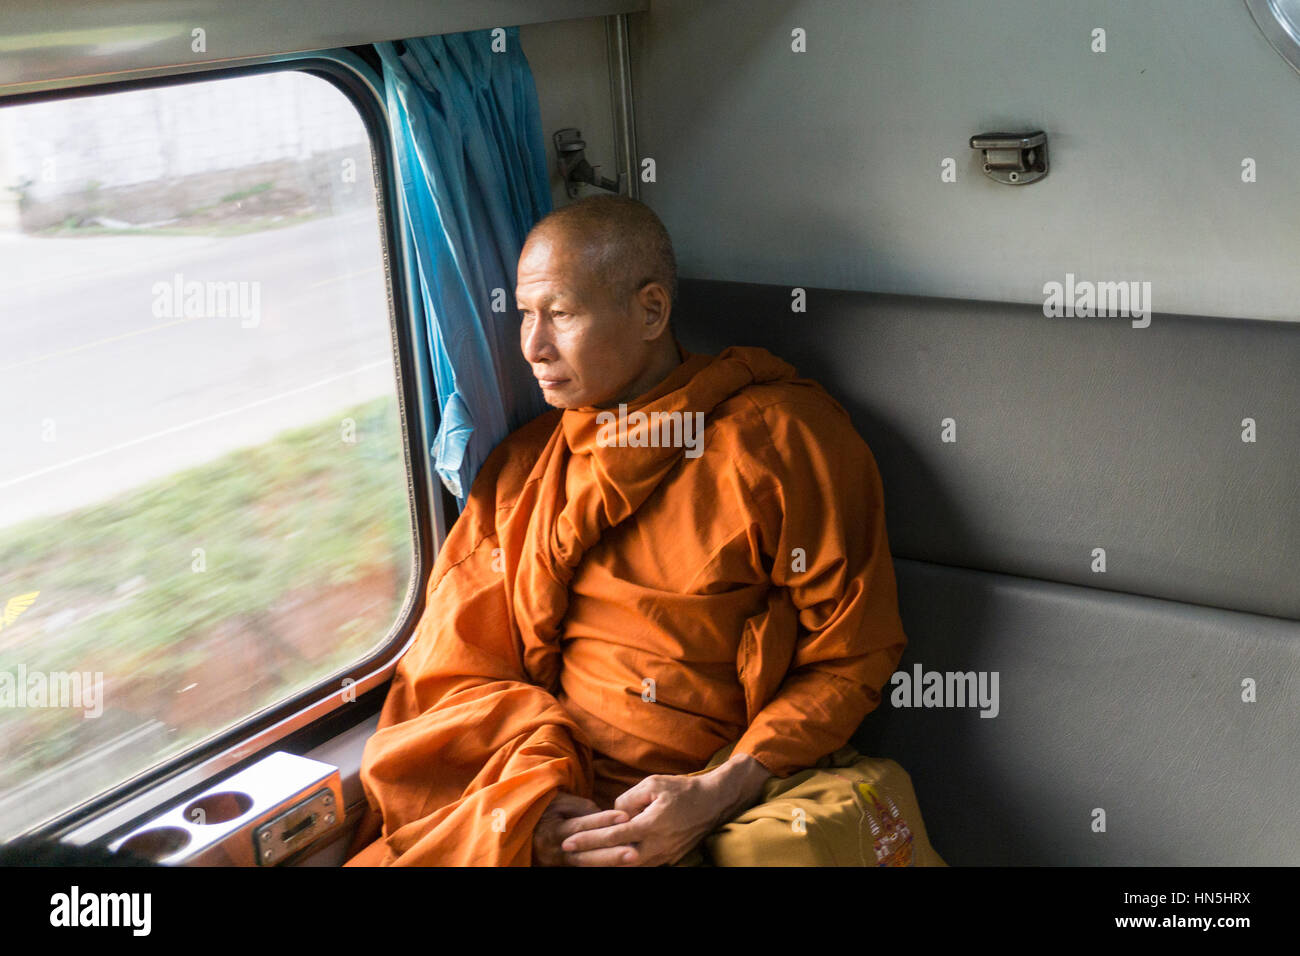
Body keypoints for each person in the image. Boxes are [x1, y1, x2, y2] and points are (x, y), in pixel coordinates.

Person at [345, 195, 929, 866]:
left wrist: (716, 792)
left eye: (560, 315)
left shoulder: (780, 440)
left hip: (717, 793)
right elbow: (460, 672)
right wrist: (531, 808)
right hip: (552, 798)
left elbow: (853, 656)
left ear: (651, 311)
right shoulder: (531, 462)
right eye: (525, 314)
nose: (532, 347)